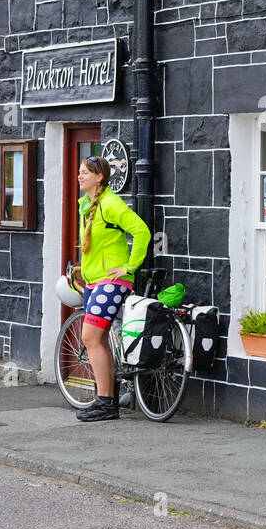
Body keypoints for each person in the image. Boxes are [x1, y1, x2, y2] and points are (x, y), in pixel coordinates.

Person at [74, 155, 150, 422]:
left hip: (112, 282)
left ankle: (106, 403)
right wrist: (82, 271)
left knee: (90, 338)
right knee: (99, 339)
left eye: (85, 172)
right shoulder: (88, 205)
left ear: (100, 177)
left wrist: (129, 267)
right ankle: (105, 399)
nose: (80, 176)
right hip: (94, 282)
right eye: (79, 172)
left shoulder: (110, 203)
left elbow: (141, 231)